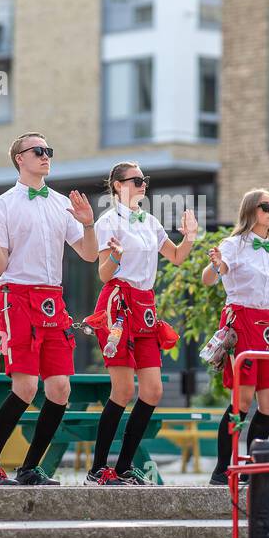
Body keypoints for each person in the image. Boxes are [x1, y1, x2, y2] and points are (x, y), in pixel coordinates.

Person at [0, 133, 99, 486]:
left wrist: (88, 222)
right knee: (25, 387)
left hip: (53, 299)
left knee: (60, 390)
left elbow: (88, 253)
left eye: (49, 151)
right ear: (19, 159)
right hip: (17, 296)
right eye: (38, 151)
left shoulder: (59, 202)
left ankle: (29, 469)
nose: (45, 156)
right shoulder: (3, 205)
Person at [85, 162, 197, 485]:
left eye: (145, 180)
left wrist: (189, 237)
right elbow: (103, 273)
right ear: (118, 185)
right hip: (119, 303)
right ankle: (96, 469)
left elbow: (175, 256)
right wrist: (116, 258)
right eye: (136, 180)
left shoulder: (150, 221)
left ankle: (123, 465)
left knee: (153, 390)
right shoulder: (107, 222)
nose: (143, 185)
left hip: (146, 305)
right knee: (122, 390)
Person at [202, 188, 269, 486]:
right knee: (243, 398)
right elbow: (210, 277)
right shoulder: (234, 243)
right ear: (251, 210)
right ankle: (223, 469)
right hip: (243, 320)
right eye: (266, 206)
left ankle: (252, 467)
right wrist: (214, 264)